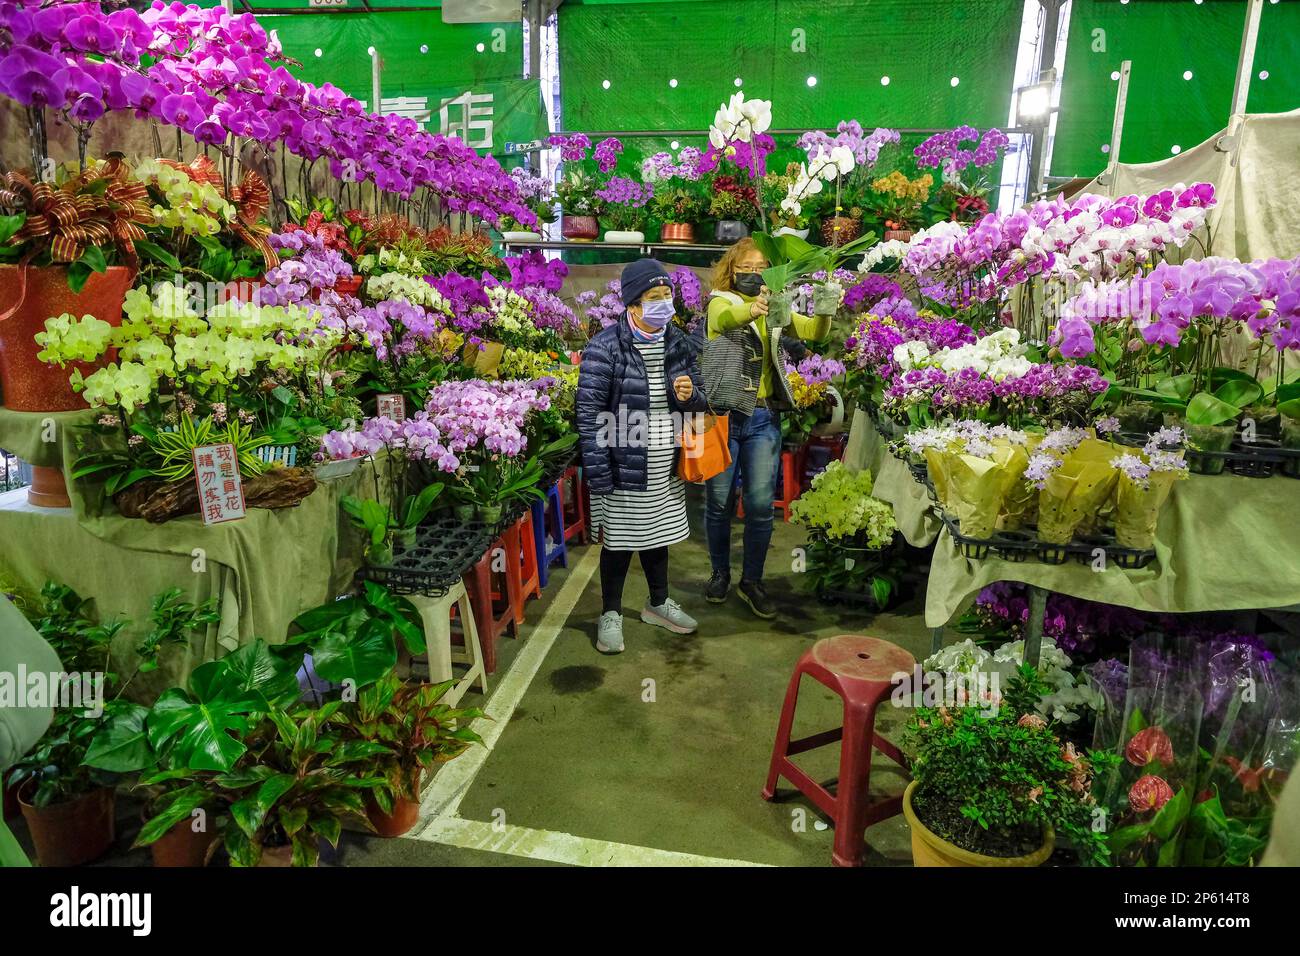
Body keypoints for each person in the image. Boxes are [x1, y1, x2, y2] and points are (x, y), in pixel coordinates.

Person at [576, 259, 708, 654]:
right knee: (618, 542)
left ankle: (658, 602)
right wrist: (599, 475)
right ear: (633, 304)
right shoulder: (606, 346)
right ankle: (610, 613)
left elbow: (700, 402)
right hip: (622, 465)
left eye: (668, 296)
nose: (665, 304)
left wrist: (689, 396)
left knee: (657, 535)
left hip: (664, 463)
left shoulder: (678, 342)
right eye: (654, 298)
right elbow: (589, 415)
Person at [703, 238, 832, 619]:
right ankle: (720, 573)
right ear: (732, 268)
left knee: (760, 506)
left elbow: (814, 333)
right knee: (719, 503)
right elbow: (725, 320)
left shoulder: (775, 302)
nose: (754, 272)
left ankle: (752, 581)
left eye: (762, 266)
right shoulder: (719, 301)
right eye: (747, 266)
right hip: (724, 416)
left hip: (762, 418)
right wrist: (753, 308)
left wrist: (825, 303)